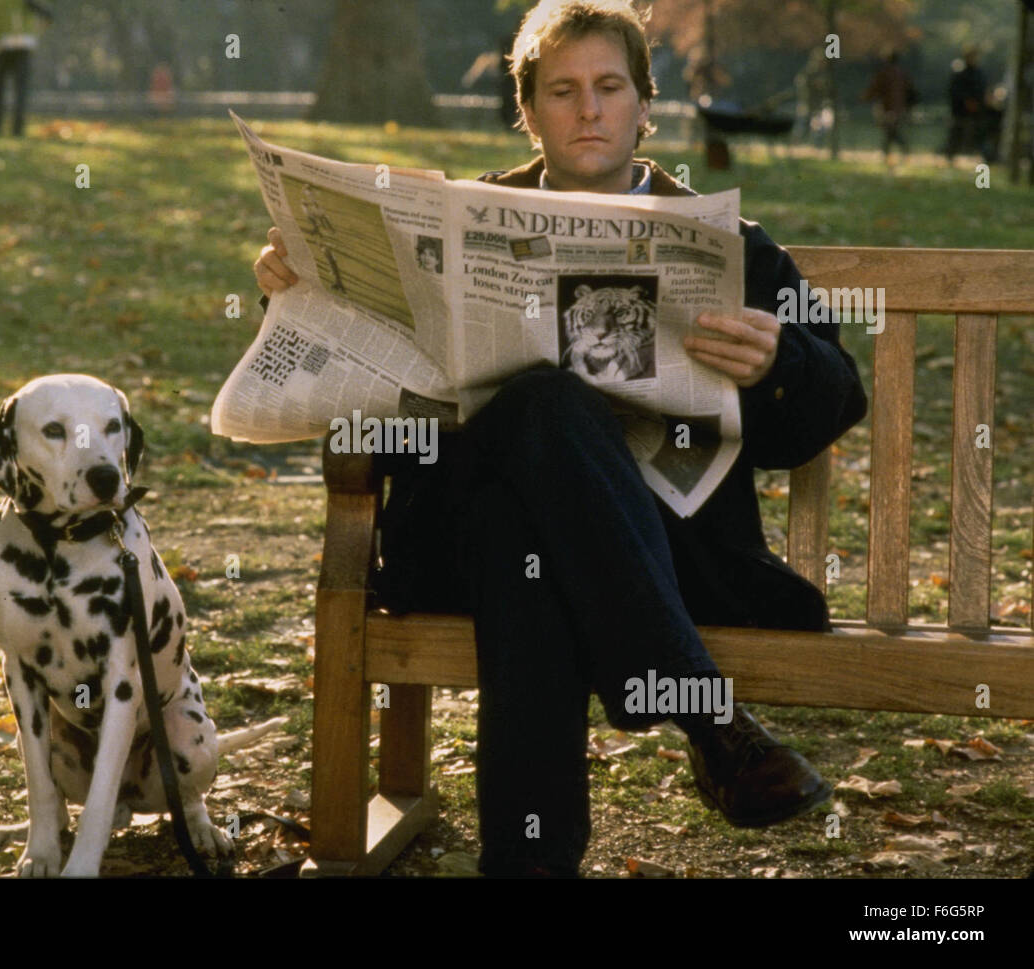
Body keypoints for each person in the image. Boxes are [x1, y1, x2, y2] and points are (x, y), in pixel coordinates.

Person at [251, 0, 868, 877]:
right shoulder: (453, 227)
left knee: (524, 534)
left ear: (645, 105)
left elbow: (833, 403)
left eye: (610, 87)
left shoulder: (731, 246)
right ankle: (708, 722)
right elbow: (375, 401)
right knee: (542, 412)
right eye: (563, 90)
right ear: (528, 110)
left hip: (668, 552)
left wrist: (781, 357)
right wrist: (299, 285)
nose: (589, 110)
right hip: (448, 542)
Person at [0, 0, 53, 137]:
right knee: (19, 91)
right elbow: (47, 16)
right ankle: (16, 131)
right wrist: (35, 35)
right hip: (22, 47)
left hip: (2, 47)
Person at [863, 49, 916, 164]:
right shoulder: (903, 74)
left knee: (891, 131)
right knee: (891, 131)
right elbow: (911, 91)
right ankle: (893, 152)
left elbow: (875, 89)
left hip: (888, 108)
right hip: (900, 108)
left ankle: (894, 152)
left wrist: (864, 98)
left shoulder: (885, 73)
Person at [944, 47, 987, 164]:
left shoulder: (979, 73)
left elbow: (982, 90)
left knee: (977, 133)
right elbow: (955, 91)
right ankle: (950, 156)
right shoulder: (960, 73)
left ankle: (982, 155)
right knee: (956, 133)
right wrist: (966, 101)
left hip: (976, 110)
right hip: (960, 110)